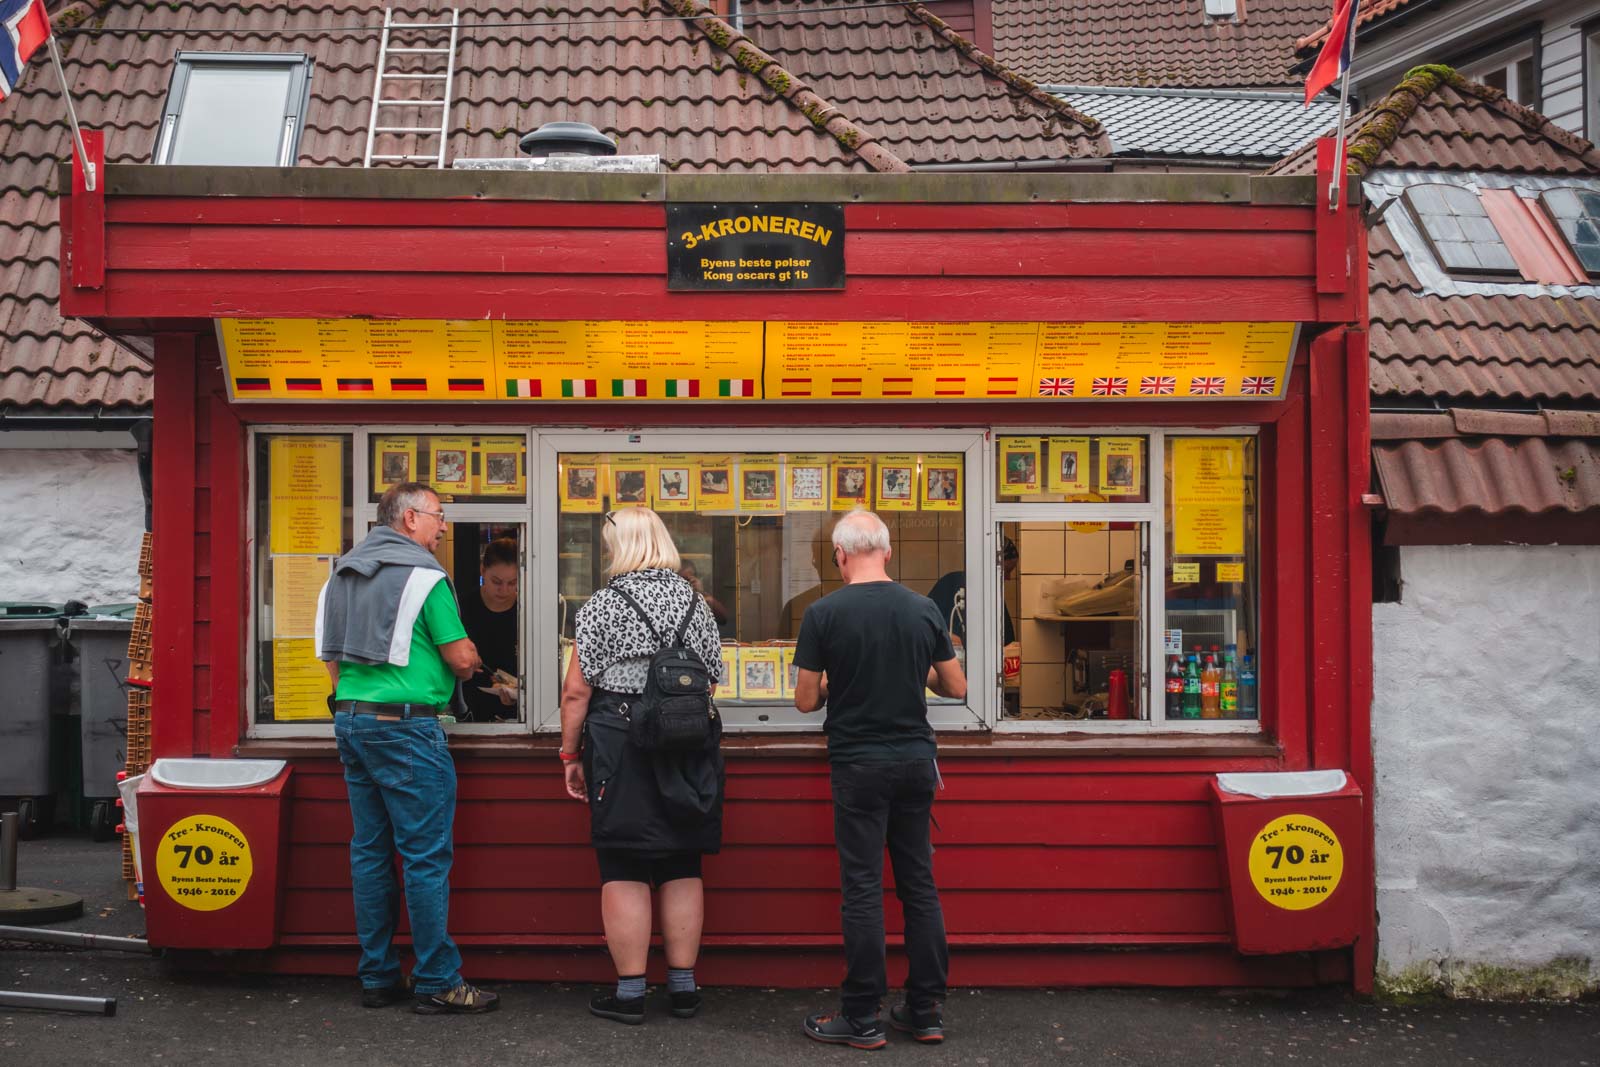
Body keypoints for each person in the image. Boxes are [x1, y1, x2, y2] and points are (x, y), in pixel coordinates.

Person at [315, 482, 498, 1015]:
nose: (443, 527)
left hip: (351, 721)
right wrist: (469, 659)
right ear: (411, 518)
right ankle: (438, 980)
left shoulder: (341, 574)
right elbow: (462, 659)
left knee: (370, 853)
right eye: (439, 516)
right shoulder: (425, 576)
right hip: (407, 728)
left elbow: (331, 658)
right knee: (424, 857)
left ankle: (377, 976)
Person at [792, 510, 966, 1049]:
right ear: (887, 552)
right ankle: (925, 1009)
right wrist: (919, 667)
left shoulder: (823, 613)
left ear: (840, 555)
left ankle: (862, 1017)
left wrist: (831, 683)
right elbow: (955, 687)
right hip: (915, 761)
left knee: (863, 889)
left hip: (858, 764)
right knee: (919, 884)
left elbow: (804, 700)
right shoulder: (923, 610)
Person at [559, 507, 725, 1026]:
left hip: (619, 741)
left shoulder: (602, 605)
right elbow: (711, 680)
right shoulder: (695, 602)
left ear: (618, 546)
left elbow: (575, 691)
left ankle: (630, 993)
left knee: (624, 861)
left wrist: (569, 754)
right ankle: (683, 988)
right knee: (682, 861)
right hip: (688, 741)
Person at [460, 538, 520, 722]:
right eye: (496, 582)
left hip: (519, 716)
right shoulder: (461, 608)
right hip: (467, 711)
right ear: (482, 571)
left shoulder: (528, 612)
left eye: (512, 583)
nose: (504, 590)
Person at [926, 536, 1018, 647]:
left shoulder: (995, 597)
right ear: (989, 565)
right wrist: (946, 636)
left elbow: (1006, 644)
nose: (1008, 578)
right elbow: (925, 626)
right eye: (1006, 571)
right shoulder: (950, 584)